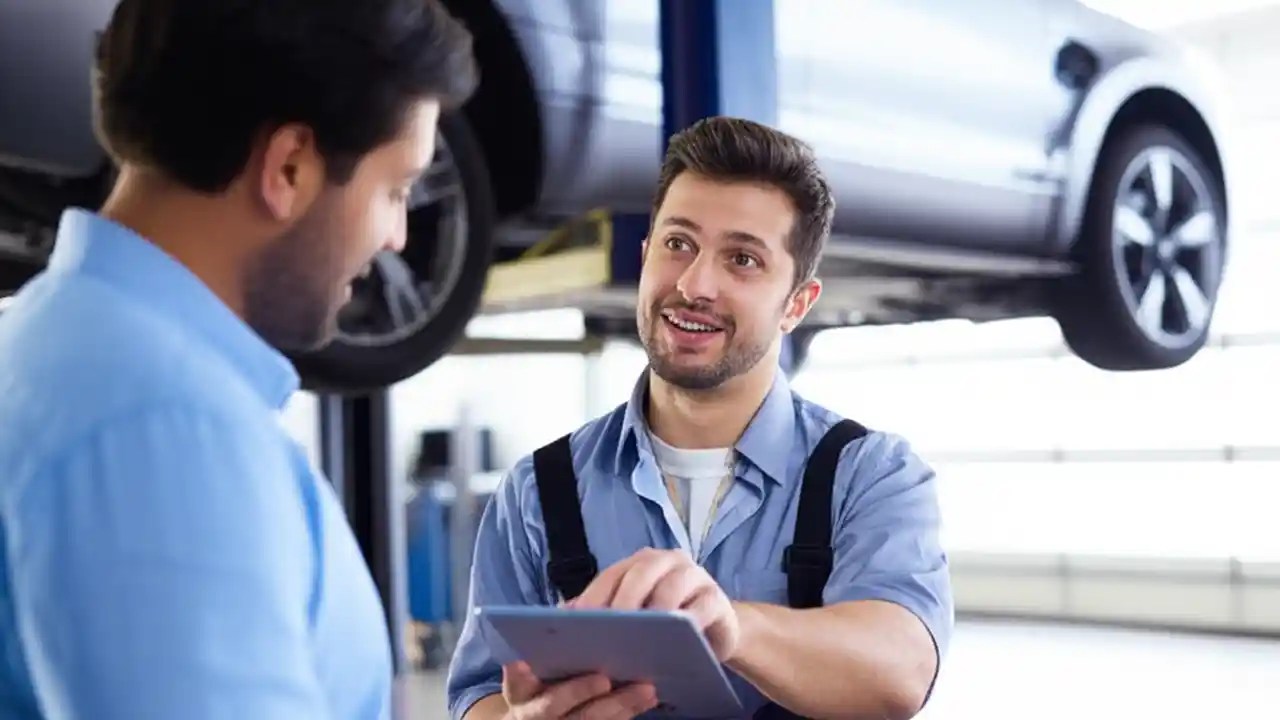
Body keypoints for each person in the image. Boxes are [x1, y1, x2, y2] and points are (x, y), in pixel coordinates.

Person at [0, 1, 476, 718]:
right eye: (394, 190)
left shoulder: (71, 351)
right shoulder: (159, 427)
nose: (397, 237)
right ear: (288, 166)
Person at [446, 116, 953, 720]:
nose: (694, 284)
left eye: (742, 259)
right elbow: (476, 694)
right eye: (678, 243)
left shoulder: (871, 475)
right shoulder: (535, 490)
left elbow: (900, 670)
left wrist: (730, 627)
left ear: (796, 305)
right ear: (645, 254)